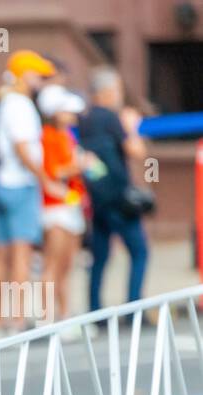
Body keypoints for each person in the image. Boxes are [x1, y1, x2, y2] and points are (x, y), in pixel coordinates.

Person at [0, 50, 59, 333]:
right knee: (21, 255)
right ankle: (15, 319)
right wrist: (45, 179)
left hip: (3, 181)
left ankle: (0, 318)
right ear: (26, 74)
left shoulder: (7, 102)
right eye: (38, 75)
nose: (41, 81)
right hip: (20, 184)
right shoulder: (20, 105)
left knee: (2, 253)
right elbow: (22, 146)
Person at [79, 66, 149, 313]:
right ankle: (133, 310)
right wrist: (131, 127)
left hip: (98, 198)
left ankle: (96, 313)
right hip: (119, 198)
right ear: (107, 92)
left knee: (99, 258)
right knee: (139, 252)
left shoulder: (85, 119)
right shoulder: (110, 117)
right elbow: (136, 151)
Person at [37, 85, 87, 323]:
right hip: (54, 207)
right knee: (52, 265)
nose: (71, 115)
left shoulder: (67, 135)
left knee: (67, 265)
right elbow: (52, 172)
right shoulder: (46, 136)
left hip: (71, 203)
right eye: (67, 111)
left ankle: (65, 316)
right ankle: (46, 319)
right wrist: (78, 166)